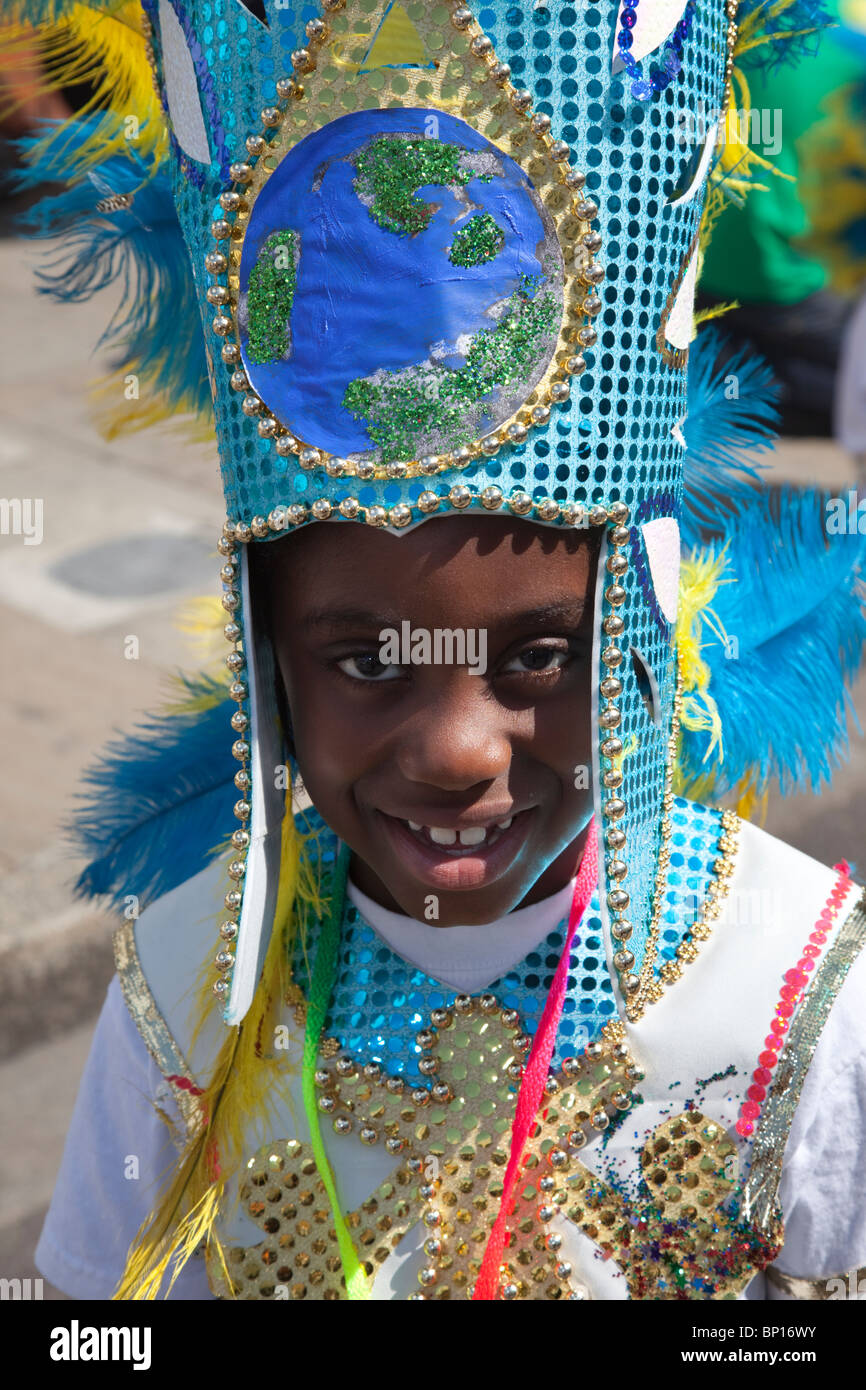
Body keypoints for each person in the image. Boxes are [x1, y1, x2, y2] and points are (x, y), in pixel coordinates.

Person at [14, 0, 866, 1301]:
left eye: (535, 657)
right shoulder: (189, 992)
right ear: (267, 666)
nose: (460, 750)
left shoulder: (800, 985)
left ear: (637, 627)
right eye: (364, 663)